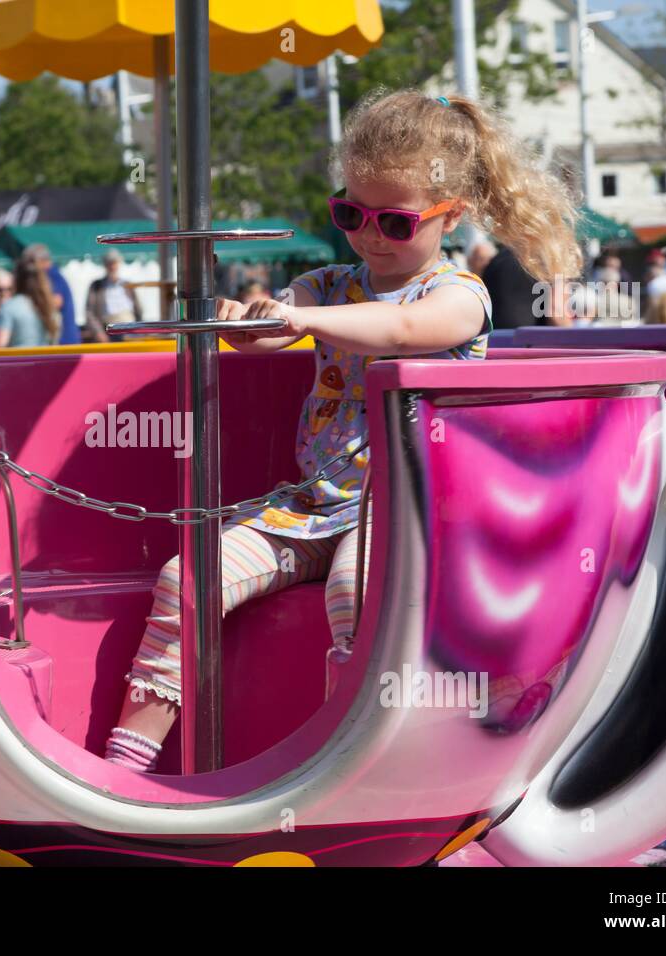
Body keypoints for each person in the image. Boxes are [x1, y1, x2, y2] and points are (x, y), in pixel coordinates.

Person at [103, 89, 580, 772]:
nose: (367, 235)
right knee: (188, 576)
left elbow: (406, 332)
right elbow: (266, 337)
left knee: (356, 594)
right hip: (315, 507)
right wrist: (251, 318)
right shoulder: (328, 285)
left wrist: (305, 323)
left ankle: (349, 764)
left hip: (404, 508)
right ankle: (128, 765)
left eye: (393, 221)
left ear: (454, 216)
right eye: (350, 212)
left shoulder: (459, 295)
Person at [0, 257, 60, 348]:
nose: (4, 293)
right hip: (44, 360)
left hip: (18, 360)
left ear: (16, 280)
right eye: (0, 290)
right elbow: (54, 340)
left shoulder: (9, 307)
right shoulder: (49, 306)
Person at [23, 243, 79, 344]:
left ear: (43, 261)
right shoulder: (51, 275)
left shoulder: (52, 276)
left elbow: (56, 301)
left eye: (31, 262)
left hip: (63, 341)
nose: (28, 267)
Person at [84, 249, 143, 340]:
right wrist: (98, 332)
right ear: (105, 265)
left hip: (130, 331)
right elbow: (89, 312)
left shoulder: (128, 285)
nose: (112, 267)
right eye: (109, 264)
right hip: (109, 332)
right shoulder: (97, 286)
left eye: (114, 263)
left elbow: (138, 310)